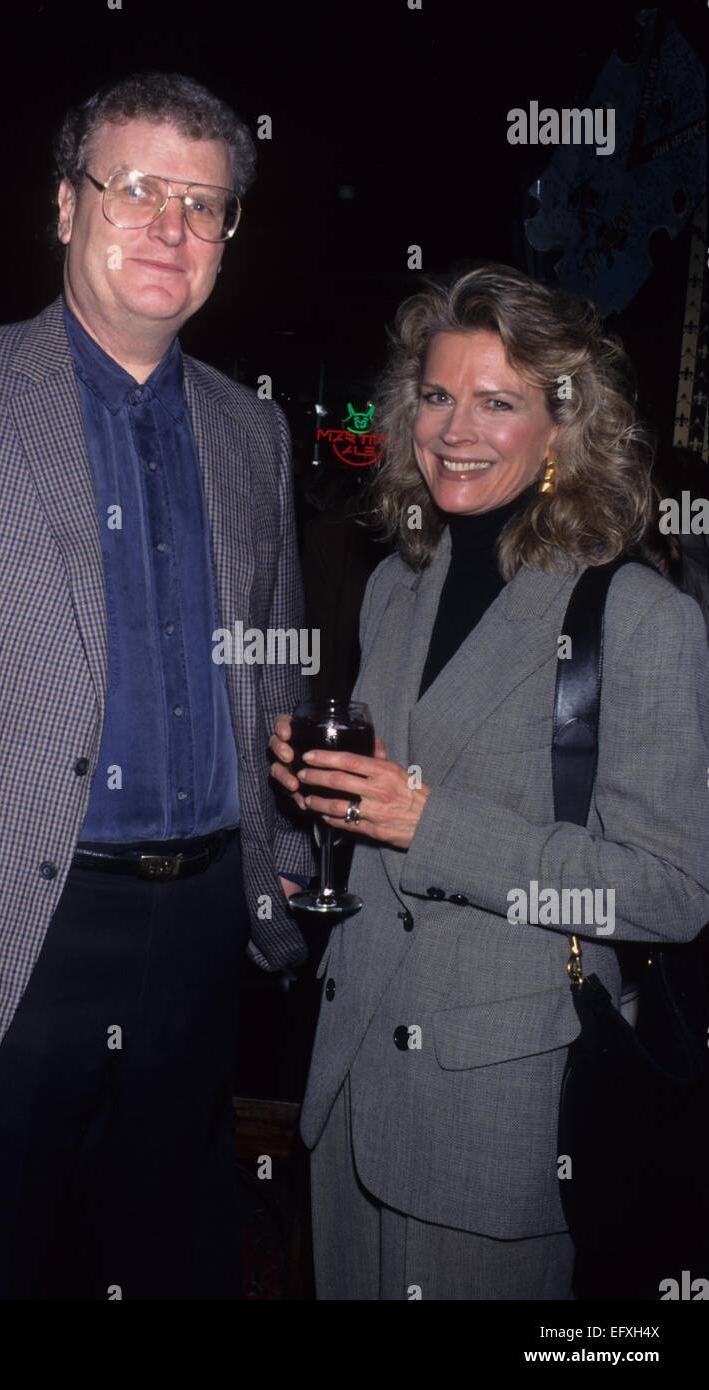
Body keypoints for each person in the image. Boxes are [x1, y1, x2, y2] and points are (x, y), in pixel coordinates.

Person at [0, 70, 313, 1300]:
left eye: (204, 205)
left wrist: (290, 852)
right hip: (5, 933)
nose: (171, 228)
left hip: (200, 926)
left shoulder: (253, 430)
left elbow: (276, 669)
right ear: (63, 206)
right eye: (137, 189)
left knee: (166, 1255)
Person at [270, 264, 709, 1300]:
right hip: (346, 1088)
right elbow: (386, 801)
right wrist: (320, 830)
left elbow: (667, 892)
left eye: (496, 402)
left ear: (561, 428)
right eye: (435, 396)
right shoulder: (395, 583)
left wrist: (425, 821)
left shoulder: (638, 616)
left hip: (497, 1124)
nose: (454, 429)